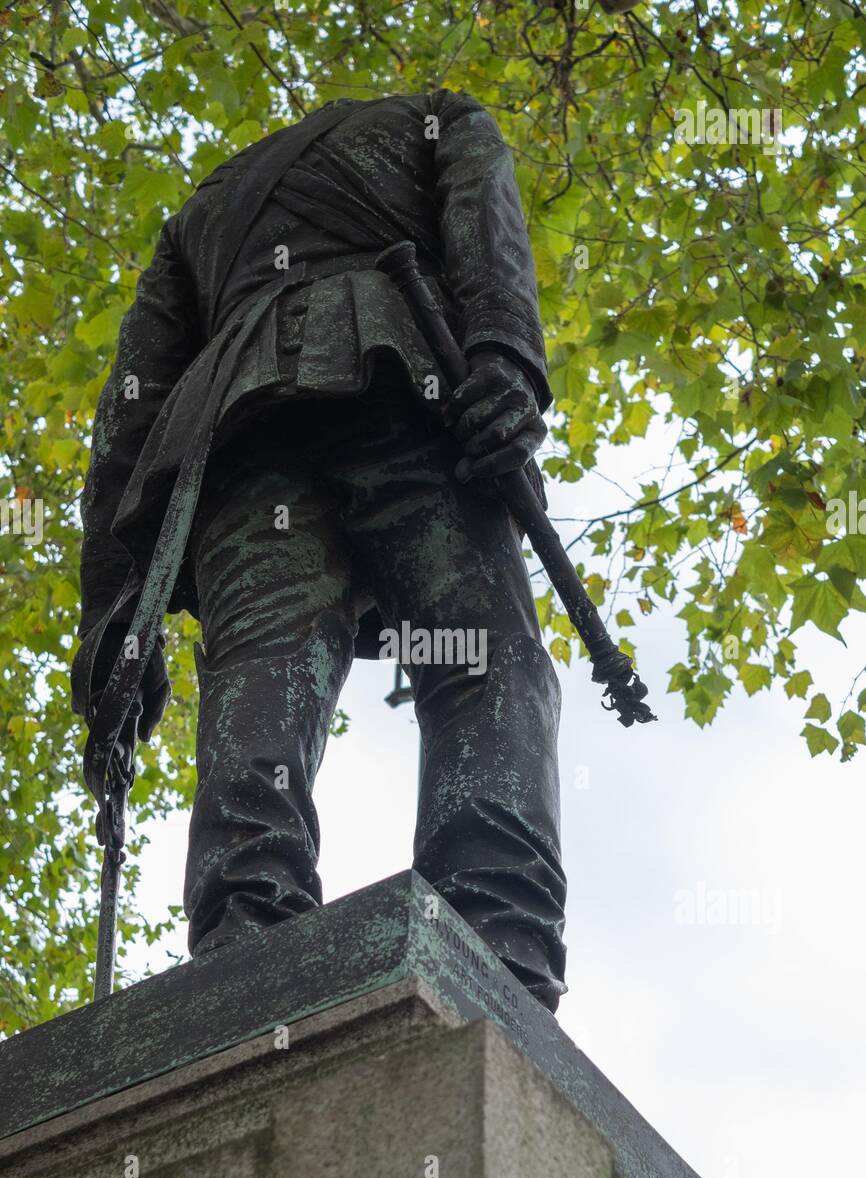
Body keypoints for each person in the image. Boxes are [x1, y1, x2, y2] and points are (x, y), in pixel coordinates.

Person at [72, 90, 569, 1010]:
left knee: (262, 666)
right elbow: (484, 220)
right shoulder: (436, 113)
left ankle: (243, 938)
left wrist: (110, 612)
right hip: (403, 387)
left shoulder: (201, 209)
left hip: (238, 438)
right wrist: (503, 357)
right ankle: (498, 942)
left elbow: (129, 413)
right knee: (483, 662)